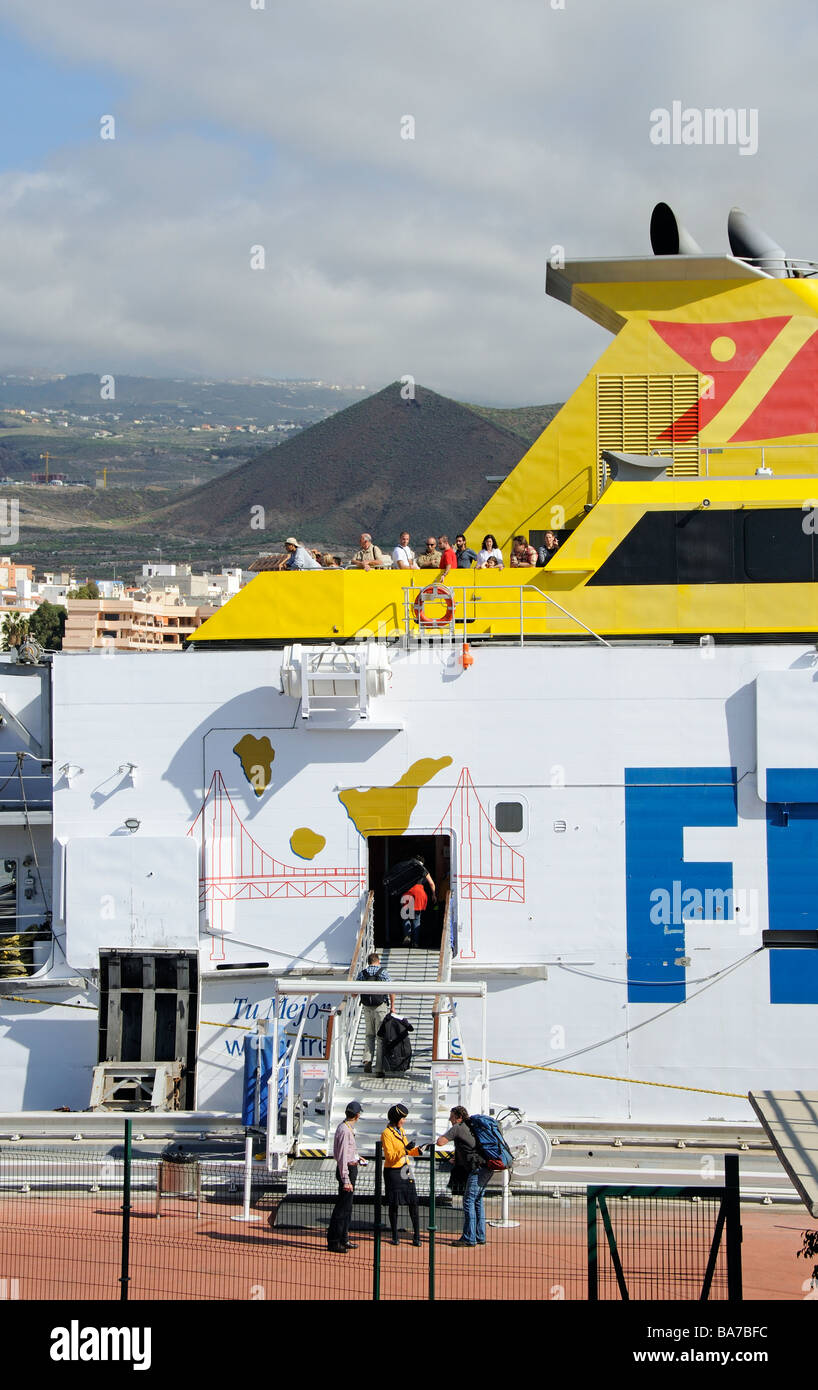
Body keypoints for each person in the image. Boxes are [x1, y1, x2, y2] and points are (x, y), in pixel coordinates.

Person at [436, 1105, 491, 1247]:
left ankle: (469, 1238)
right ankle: (480, 1235)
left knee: (468, 1201)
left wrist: (444, 1136)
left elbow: (440, 1142)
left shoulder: (458, 1127)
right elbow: (469, 1146)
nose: (450, 1119)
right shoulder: (471, 1126)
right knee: (477, 1200)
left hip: (477, 1169)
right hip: (486, 1167)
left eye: (452, 1116)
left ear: (458, 1117)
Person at [381, 1103, 423, 1246]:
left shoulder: (401, 1131)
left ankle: (417, 1235)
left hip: (405, 1169)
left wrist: (418, 1150)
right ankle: (394, 1235)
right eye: (402, 1118)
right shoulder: (386, 1134)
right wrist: (405, 1150)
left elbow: (408, 1151)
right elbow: (390, 1156)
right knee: (394, 1204)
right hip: (392, 1171)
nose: (404, 1121)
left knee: (414, 1201)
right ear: (396, 1118)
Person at [327, 1100, 365, 1253]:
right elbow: (342, 1156)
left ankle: (344, 1237)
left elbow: (347, 1152)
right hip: (347, 1170)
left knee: (347, 1208)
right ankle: (334, 1241)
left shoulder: (346, 1128)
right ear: (357, 1115)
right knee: (342, 1208)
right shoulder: (345, 1130)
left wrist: (357, 1157)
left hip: (351, 1166)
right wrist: (346, 1179)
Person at [357, 951, 395, 1076]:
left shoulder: (362, 974)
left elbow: (353, 991)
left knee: (369, 1035)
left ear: (368, 962)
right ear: (378, 961)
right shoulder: (382, 972)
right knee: (381, 1037)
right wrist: (392, 1007)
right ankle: (379, 1068)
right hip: (380, 1007)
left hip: (367, 1007)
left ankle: (367, 1059)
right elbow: (392, 990)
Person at [400, 857, 436, 947]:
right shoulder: (423, 869)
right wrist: (433, 894)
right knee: (416, 919)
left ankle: (407, 935)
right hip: (419, 894)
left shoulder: (406, 868)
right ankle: (415, 942)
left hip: (407, 893)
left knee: (406, 917)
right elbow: (431, 883)